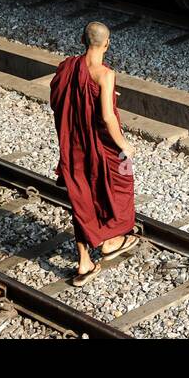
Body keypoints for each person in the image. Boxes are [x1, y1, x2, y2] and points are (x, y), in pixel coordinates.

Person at [49, 21, 139, 286]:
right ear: (107, 44)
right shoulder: (105, 74)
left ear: (82, 40)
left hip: (75, 144)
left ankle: (85, 260)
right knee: (117, 184)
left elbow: (60, 100)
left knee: (81, 198)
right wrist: (124, 144)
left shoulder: (67, 67)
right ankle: (110, 240)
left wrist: (105, 95)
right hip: (99, 145)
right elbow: (107, 116)